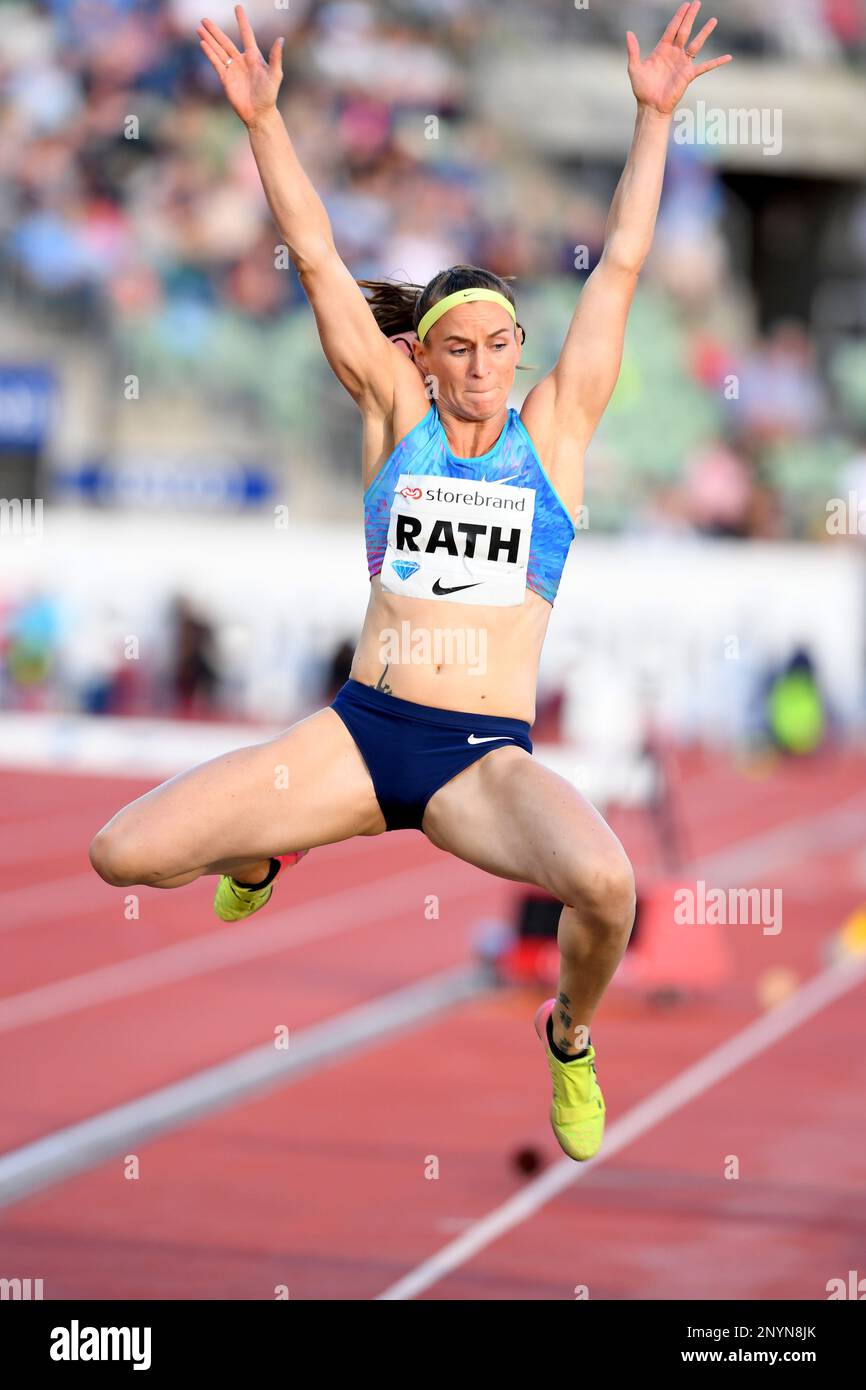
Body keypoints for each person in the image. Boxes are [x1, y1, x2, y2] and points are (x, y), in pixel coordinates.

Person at [89, 3, 731, 1163]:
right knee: (122, 854)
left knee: (606, 882)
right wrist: (263, 121)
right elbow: (322, 260)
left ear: (519, 355)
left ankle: (570, 1036)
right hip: (359, 730)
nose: (481, 368)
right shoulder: (394, 421)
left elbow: (623, 264)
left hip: (480, 756)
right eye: (458, 349)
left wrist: (652, 122)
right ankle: (256, 853)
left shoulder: (558, 436)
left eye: (499, 347)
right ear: (422, 361)